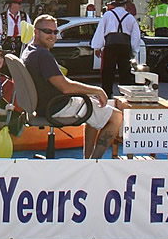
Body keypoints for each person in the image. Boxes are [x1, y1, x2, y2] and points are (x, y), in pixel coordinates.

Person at [21, 15, 124, 158]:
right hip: (57, 106)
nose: (53, 36)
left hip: (47, 105)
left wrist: (88, 93)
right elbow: (66, 87)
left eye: (55, 32)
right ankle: (94, 163)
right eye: (47, 31)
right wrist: (97, 90)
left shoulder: (29, 51)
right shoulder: (42, 55)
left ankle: (87, 160)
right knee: (116, 117)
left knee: (94, 111)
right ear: (36, 32)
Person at [91, 0, 141, 97]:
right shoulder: (130, 17)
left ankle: (106, 93)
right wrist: (134, 50)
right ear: (125, 5)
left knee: (108, 70)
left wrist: (97, 47)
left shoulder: (108, 15)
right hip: (125, 47)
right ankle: (125, 94)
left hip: (111, 45)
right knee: (125, 71)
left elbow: (100, 30)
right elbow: (136, 35)